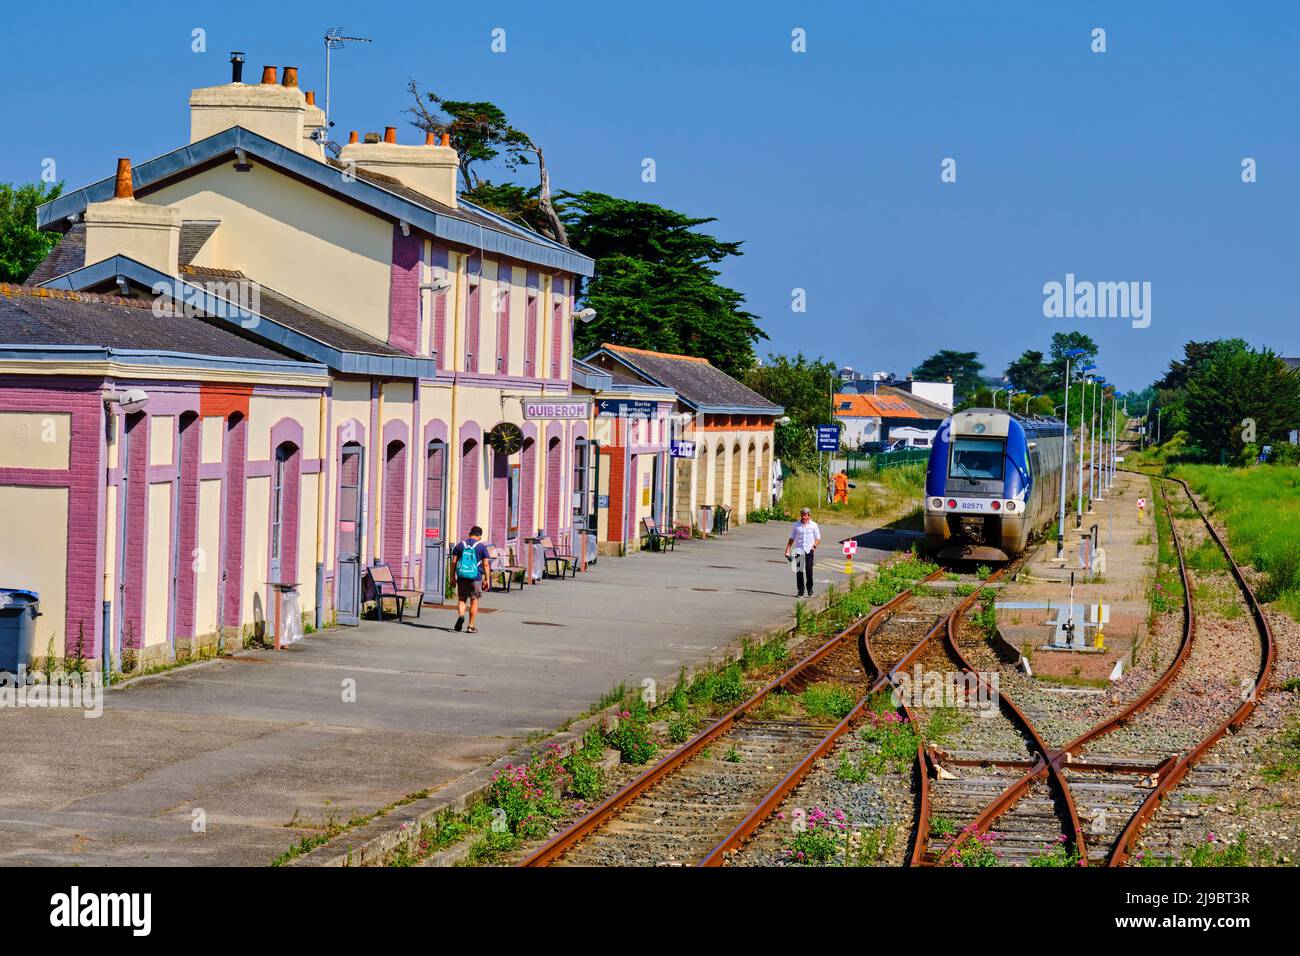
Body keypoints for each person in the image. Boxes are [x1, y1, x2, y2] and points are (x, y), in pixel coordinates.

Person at [451, 526, 490, 633]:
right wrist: (487, 579)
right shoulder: (481, 547)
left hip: (462, 576)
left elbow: (454, 562)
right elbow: (486, 564)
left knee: (462, 599)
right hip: (475, 577)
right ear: (480, 536)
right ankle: (470, 626)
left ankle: (461, 616)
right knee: (474, 601)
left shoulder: (460, 545)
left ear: (470, 534)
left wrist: (452, 577)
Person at [785, 507, 821, 598]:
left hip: (809, 550)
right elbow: (792, 538)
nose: (804, 517)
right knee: (799, 571)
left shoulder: (814, 525)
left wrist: (814, 546)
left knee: (809, 569)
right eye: (802, 515)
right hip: (799, 550)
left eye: (805, 515)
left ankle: (810, 588)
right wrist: (788, 549)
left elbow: (818, 538)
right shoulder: (796, 525)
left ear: (809, 516)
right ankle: (800, 591)